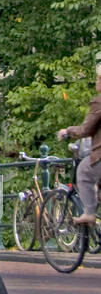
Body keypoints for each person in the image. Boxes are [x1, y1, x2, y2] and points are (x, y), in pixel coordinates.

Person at [57, 73, 101, 225]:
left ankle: (89, 213)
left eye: (98, 79)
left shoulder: (99, 102)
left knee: (83, 171)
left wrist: (68, 131)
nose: (96, 82)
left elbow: (86, 129)